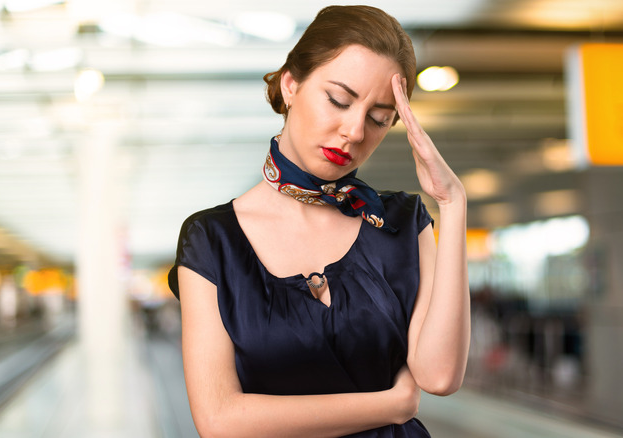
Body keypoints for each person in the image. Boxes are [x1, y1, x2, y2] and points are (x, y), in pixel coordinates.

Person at [169, 5, 470, 437]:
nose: (355, 131)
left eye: (379, 119)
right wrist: (392, 404)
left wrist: (452, 202)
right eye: (339, 100)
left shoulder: (401, 222)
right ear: (291, 84)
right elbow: (220, 421)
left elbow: (439, 376)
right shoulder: (211, 240)